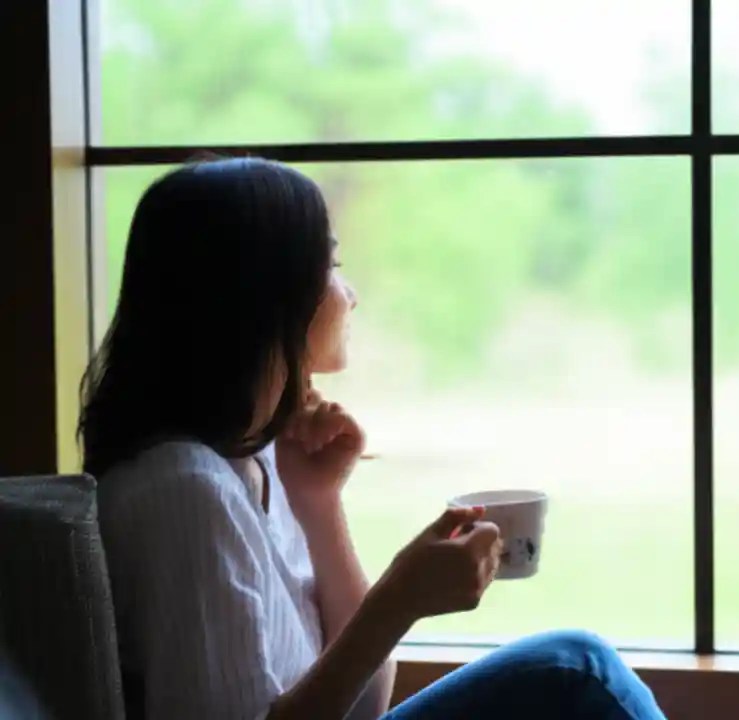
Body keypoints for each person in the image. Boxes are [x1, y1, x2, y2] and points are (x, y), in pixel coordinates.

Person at [80, 157, 667, 720]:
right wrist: (399, 599)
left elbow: (365, 707)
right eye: (331, 267)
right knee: (575, 671)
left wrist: (318, 502)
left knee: (573, 669)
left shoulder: (252, 459)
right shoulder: (183, 491)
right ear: (268, 294)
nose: (350, 293)